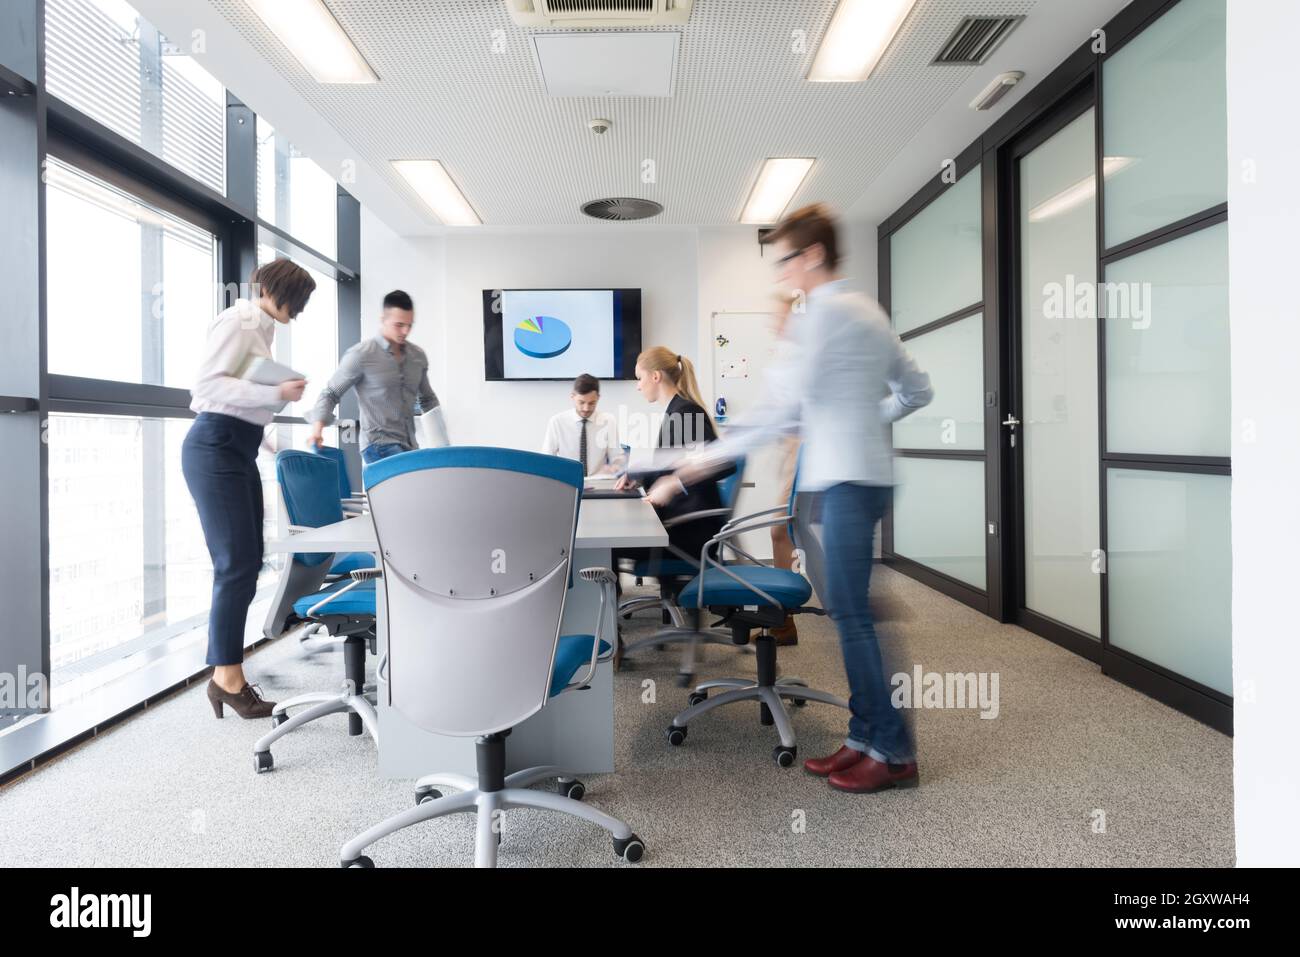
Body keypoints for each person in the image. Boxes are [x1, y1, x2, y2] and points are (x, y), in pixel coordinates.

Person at [646, 203, 933, 794]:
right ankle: (863, 738)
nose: (781, 274)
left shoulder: (822, 318)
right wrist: (863, 420)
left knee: (853, 619)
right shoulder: (866, 312)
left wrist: (683, 470)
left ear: (814, 255)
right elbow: (916, 390)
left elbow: (774, 416)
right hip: (850, 479)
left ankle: (894, 752)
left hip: (844, 483)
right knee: (851, 614)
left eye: (785, 261)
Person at [183, 258, 316, 719]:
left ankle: (227, 675)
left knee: (247, 562)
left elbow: (240, 403)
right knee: (235, 564)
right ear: (277, 290)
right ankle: (226, 678)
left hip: (235, 447)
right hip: (214, 447)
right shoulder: (241, 319)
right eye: (298, 301)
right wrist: (277, 394)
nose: (297, 311)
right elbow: (207, 387)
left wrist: (275, 444)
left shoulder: (261, 328)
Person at [615, 348, 735, 570]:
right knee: (611, 535)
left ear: (656, 376)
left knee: (607, 543)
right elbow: (674, 465)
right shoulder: (676, 412)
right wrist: (637, 476)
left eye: (639, 378)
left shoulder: (685, 412)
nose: (637, 385)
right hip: (680, 522)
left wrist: (675, 483)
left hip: (689, 531)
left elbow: (724, 462)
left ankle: (608, 604)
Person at [307, 290, 446, 464]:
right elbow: (331, 393)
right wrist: (317, 429)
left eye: (409, 325)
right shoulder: (361, 355)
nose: (405, 331)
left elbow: (428, 400)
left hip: (409, 446)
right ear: (383, 319)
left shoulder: (417, 357)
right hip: (378, 445)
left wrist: (444, 448)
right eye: (399, 325)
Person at [541, 373, 623, 474]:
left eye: (591, 403)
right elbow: (547, 460)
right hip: (567, 482)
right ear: (572, 397)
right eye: (581, 402)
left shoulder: (608, 421)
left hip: (598, 483)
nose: (586, 408)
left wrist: (615, 468)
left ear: (598, 397)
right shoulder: (557, 422)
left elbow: (617, 459)